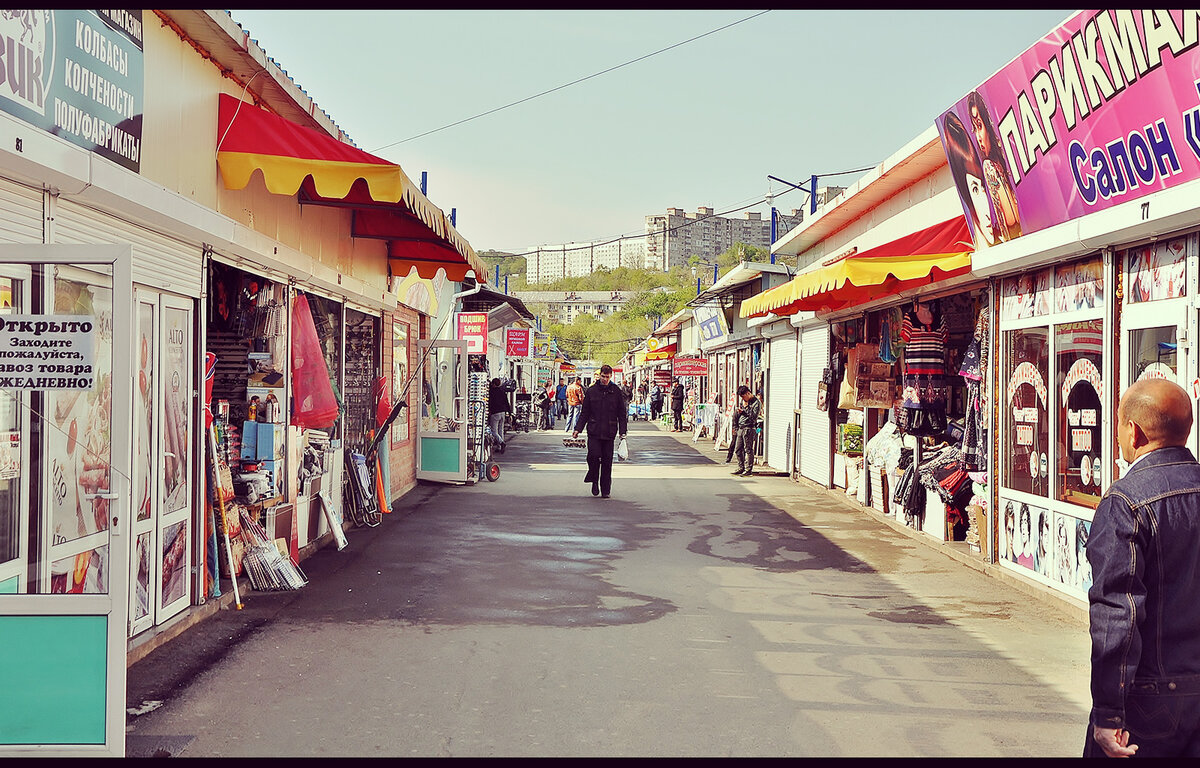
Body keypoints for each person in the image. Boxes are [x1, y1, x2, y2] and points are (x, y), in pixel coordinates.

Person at [1084, 378, 1200, 758]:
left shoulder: (1126, 501)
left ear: (1133, 432)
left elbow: (1118, 614)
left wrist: (1108, 713)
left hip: (1147, 705)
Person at [968, 91, 1022, 242]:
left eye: (979, 125)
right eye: (975, 128)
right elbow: (1008, 221)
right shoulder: (989, 167)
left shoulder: (1001, 163)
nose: (978, 137)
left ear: (988, 124)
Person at [572, 364, 627, 499]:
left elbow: (622, 413)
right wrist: (577, 429)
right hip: (594, 431)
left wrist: (623, 432)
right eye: (603, 376)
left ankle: (606, 489)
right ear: (599, 375)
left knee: (607, 461)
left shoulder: (616, 391)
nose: (605, 380)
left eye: (607, 377)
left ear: (611, 376)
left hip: (609, 432)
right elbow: (585, 412)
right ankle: (594, 480)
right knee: (593, 456)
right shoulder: (591, 391)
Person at [731, 384, 760, 476]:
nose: (743, 399)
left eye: (744, 397)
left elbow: (754, 417)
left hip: (749, 427)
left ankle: (748, 469)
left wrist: (744, 411)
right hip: (741, 427)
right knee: (738, 449)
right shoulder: (743, 402)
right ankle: (741, 467)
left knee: (748, 449)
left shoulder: (756, 402)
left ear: (748, 393)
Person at [487, 378, 511, 453]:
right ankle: (499, 447)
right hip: (502, 412)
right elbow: (506, 402)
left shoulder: (491, 392)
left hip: (495, 412)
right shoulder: (502, 391)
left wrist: (489, 411)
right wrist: (509, 412)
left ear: (493, 384)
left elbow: (490, 402)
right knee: (501, 430)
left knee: (493, 431)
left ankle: (501, 443)